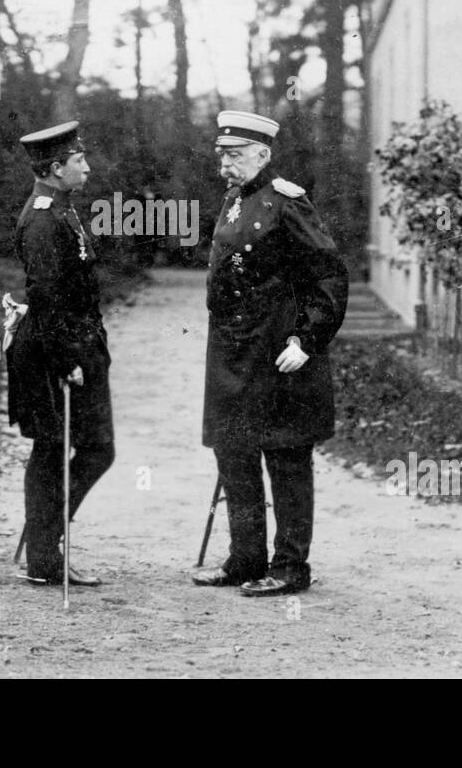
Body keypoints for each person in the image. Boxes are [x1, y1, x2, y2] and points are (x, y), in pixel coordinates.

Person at [193, 110, 349, 597]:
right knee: (233, 454)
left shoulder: (288, 203)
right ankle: (245, 559)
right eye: (222, 156)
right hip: (233, 352)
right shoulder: (234, 201)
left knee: (285, 456)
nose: (226, 164)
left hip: (279, 351)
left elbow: (328, 276)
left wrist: (307, 339)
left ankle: (289, 567)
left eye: (235, 156)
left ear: (263, 155)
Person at [5, 121, 114, 586]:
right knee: (59, 449)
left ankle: (44, 545)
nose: (86, 167)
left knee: (82, 448)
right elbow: (47, 296)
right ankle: (45, 555)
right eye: (78, 161)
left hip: (73, 343)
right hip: (55, 348)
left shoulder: (62, 210)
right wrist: (66, 359)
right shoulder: (45, 218)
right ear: (55, 168)